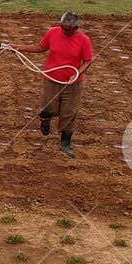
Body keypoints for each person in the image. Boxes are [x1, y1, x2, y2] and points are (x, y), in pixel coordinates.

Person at [36, 11, 93, 157]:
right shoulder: (52, 33)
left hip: (72, 84)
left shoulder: (84, 40)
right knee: (48, 108)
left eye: (68, 29)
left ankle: (65, 144)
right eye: (63, 28)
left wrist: (77, 74)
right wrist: (17, 47)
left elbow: (88, 60)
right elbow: (41, 47)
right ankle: (45, 122)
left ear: (76, 28)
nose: (65, 31)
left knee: (69, 112)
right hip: (51, 79)